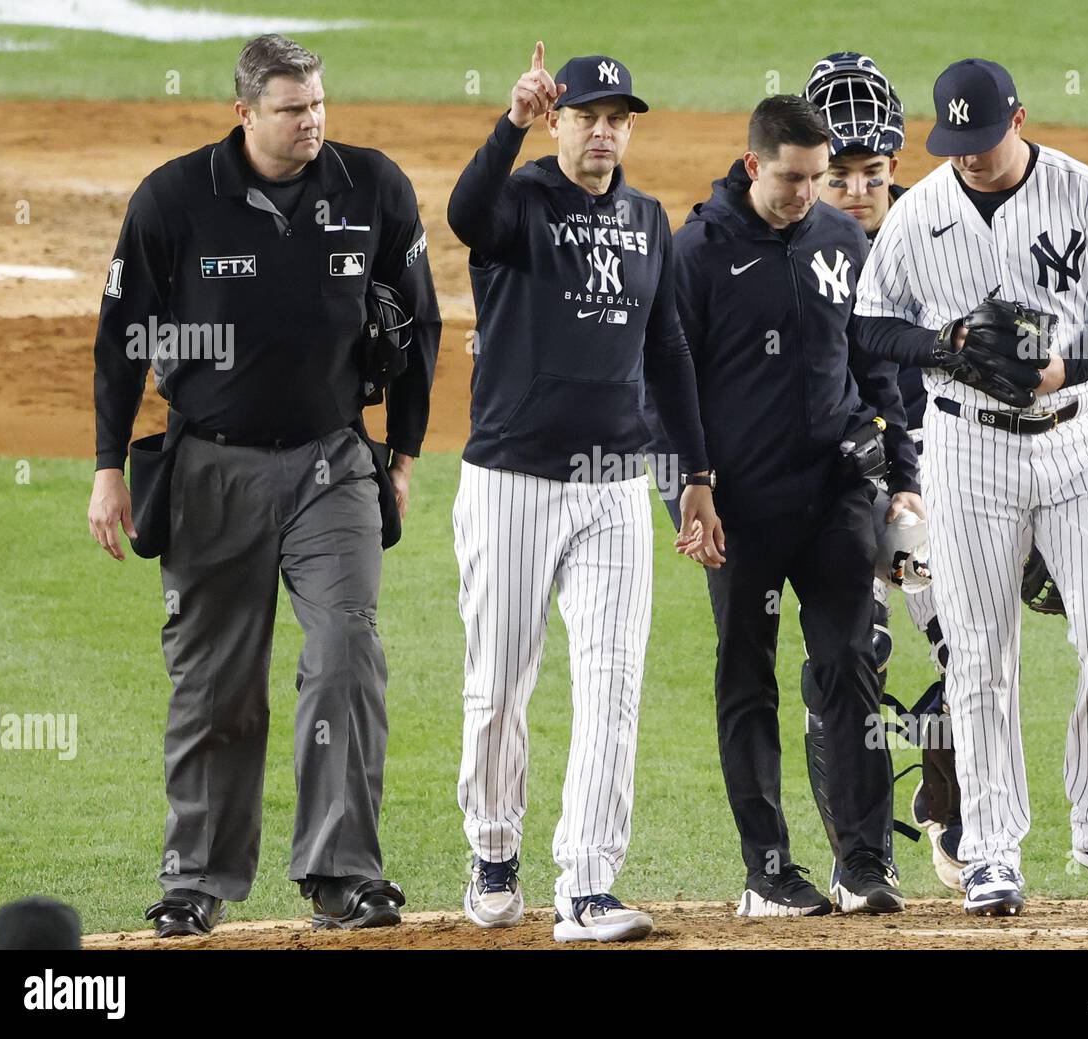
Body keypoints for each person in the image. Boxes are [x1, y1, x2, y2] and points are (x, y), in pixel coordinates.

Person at [87, 34, 441, 936]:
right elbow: (121, 335)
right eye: (290, 109)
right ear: (243, 112)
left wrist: (400, 455)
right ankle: (195, 878)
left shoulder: (374, 188)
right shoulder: (175, 199)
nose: (311, 122)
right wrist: (105, 467)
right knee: (216, 683)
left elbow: (422, 323)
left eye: (318, 103)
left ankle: (342, 873)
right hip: (210, 466)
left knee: (346, 655)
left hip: (333, 461)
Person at [854, 58, 1088, 915]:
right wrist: (944, 345)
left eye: (984, 143)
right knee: (981, 655)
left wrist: (1065, 366)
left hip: (1078, 440)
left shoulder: (1081, 193)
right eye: (954, 146)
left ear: (1019, 121)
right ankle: (990, 848)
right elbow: (872, 322)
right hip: (968, 451)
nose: (969, 159)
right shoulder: (919, 215)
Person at [447, 43, 720, 943]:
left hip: (616, 487)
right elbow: (461, 214)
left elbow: (670, 353)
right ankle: (492, 851)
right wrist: (508, 123)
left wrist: (694, 477)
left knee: (614, 683)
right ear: (559, 120)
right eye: (588, 116)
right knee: (498, 685)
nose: (604, 131)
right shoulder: (519, 201)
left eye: (619, 119)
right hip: (512, 479)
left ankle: (589, 885)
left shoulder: (648, 220)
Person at [648, 94, 922, 917]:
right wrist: (685, 494)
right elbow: (662, 385)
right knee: (747, 677)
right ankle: (768, 867)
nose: (810, 194)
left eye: (818, 177)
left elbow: (873, 365)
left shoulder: (841, 239)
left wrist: (900, 471)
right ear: (751, 165)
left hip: (835, 494)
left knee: (848, 663)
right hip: (741, 509)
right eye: (793, 178)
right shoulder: (695, 253)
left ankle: (864, 862)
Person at [801, 51, 965, 893]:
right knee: (846, 661)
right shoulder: (784, 246)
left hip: (931, 473)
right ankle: (860, 856)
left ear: (895, 164)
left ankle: (948, 804)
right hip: (832, 486)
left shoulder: (938, 232)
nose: (858, 190)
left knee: (969, 650)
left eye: (872, 172)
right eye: (840, 174)